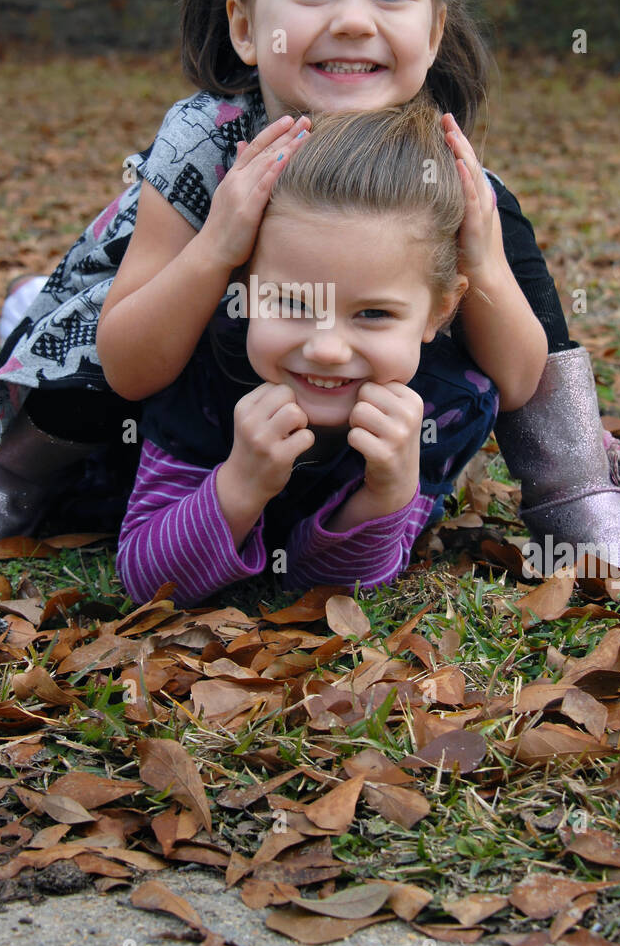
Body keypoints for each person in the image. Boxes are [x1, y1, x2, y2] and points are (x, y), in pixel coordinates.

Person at [0, 0, 620, 595]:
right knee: (89, 353)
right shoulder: (201, 145)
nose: (352, 20)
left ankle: (572, 488)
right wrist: (217, 247)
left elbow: (515, 381)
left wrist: (480, 262)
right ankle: (13, 470)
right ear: (247, 26)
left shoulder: (440, 165)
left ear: (433, 29)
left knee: (491, 217)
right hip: (166, 341)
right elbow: (129, 362)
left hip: (318, 362)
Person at [116, 100, 502, 603]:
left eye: (374, 314)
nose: (325, 349)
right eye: (294, 304)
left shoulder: (444, 406)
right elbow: (145, 583)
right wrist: (239, 486)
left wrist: (386, 495)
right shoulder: (203, 370)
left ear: (439, 311)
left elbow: (331, 593)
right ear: (247, 287)